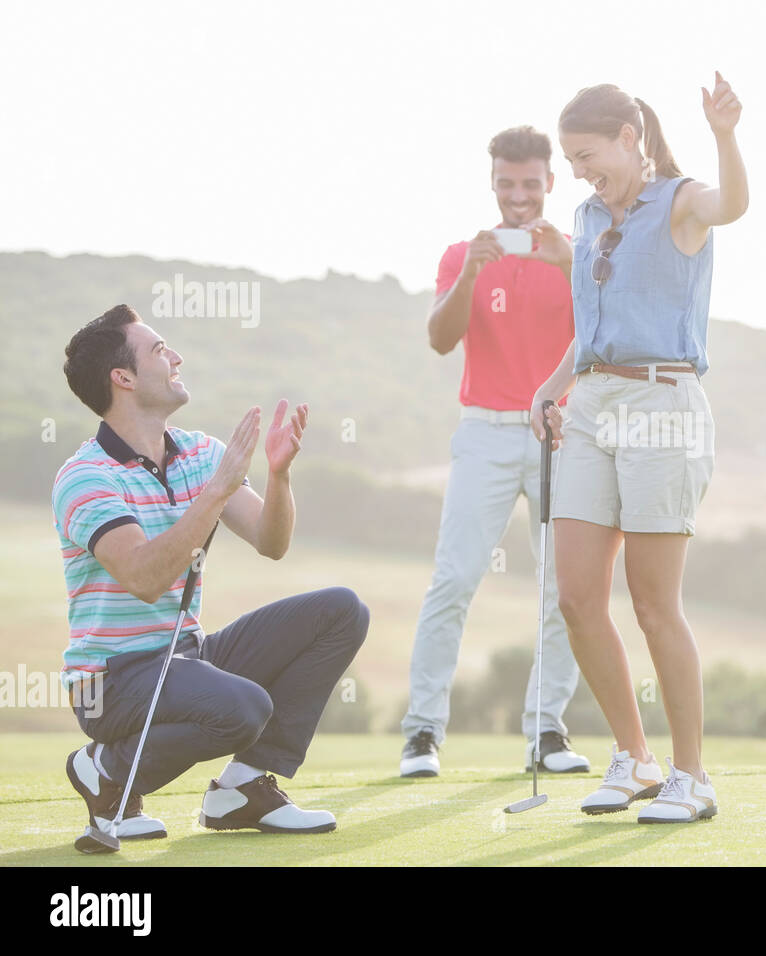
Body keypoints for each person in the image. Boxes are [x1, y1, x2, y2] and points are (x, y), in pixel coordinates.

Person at [56, 305, 369, 840]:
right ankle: (107, 770)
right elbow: (144, 575)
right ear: (123, 378)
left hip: (185, 658)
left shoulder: (201, 454)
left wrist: (278, 474)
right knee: (244, 707)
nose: (176, 357)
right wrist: (217, 491)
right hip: (107, 683)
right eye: (159, 350)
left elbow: (272, 543)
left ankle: (241, 788)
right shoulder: (86, 477)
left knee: (341, 612)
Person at [528, 73, 748, 823]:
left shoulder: (683, 200)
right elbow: (591, 324)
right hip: (590, 402)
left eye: (588, 154)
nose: (581, 172)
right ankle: (636, 758)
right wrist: (551, 387)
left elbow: (736, 205)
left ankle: (692, 776)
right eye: (573, 159)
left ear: (630, 138)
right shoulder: (589, 216)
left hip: (663, 403)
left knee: (655, 604)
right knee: (577, 597)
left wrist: (725, 134)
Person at [400, 126, 589, 778]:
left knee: (567, 587)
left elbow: (601, 333)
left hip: (558, 429)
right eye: (507, 185)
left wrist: (568, 262)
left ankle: (547, 731)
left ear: (549, 183)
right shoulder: (462, 255)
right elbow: (438, 340)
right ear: (493, 183)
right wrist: (473, 275)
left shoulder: (576, 252)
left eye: (530, 185)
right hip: (483, 429)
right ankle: (422, 733)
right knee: (454, 579)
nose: (518, 197)